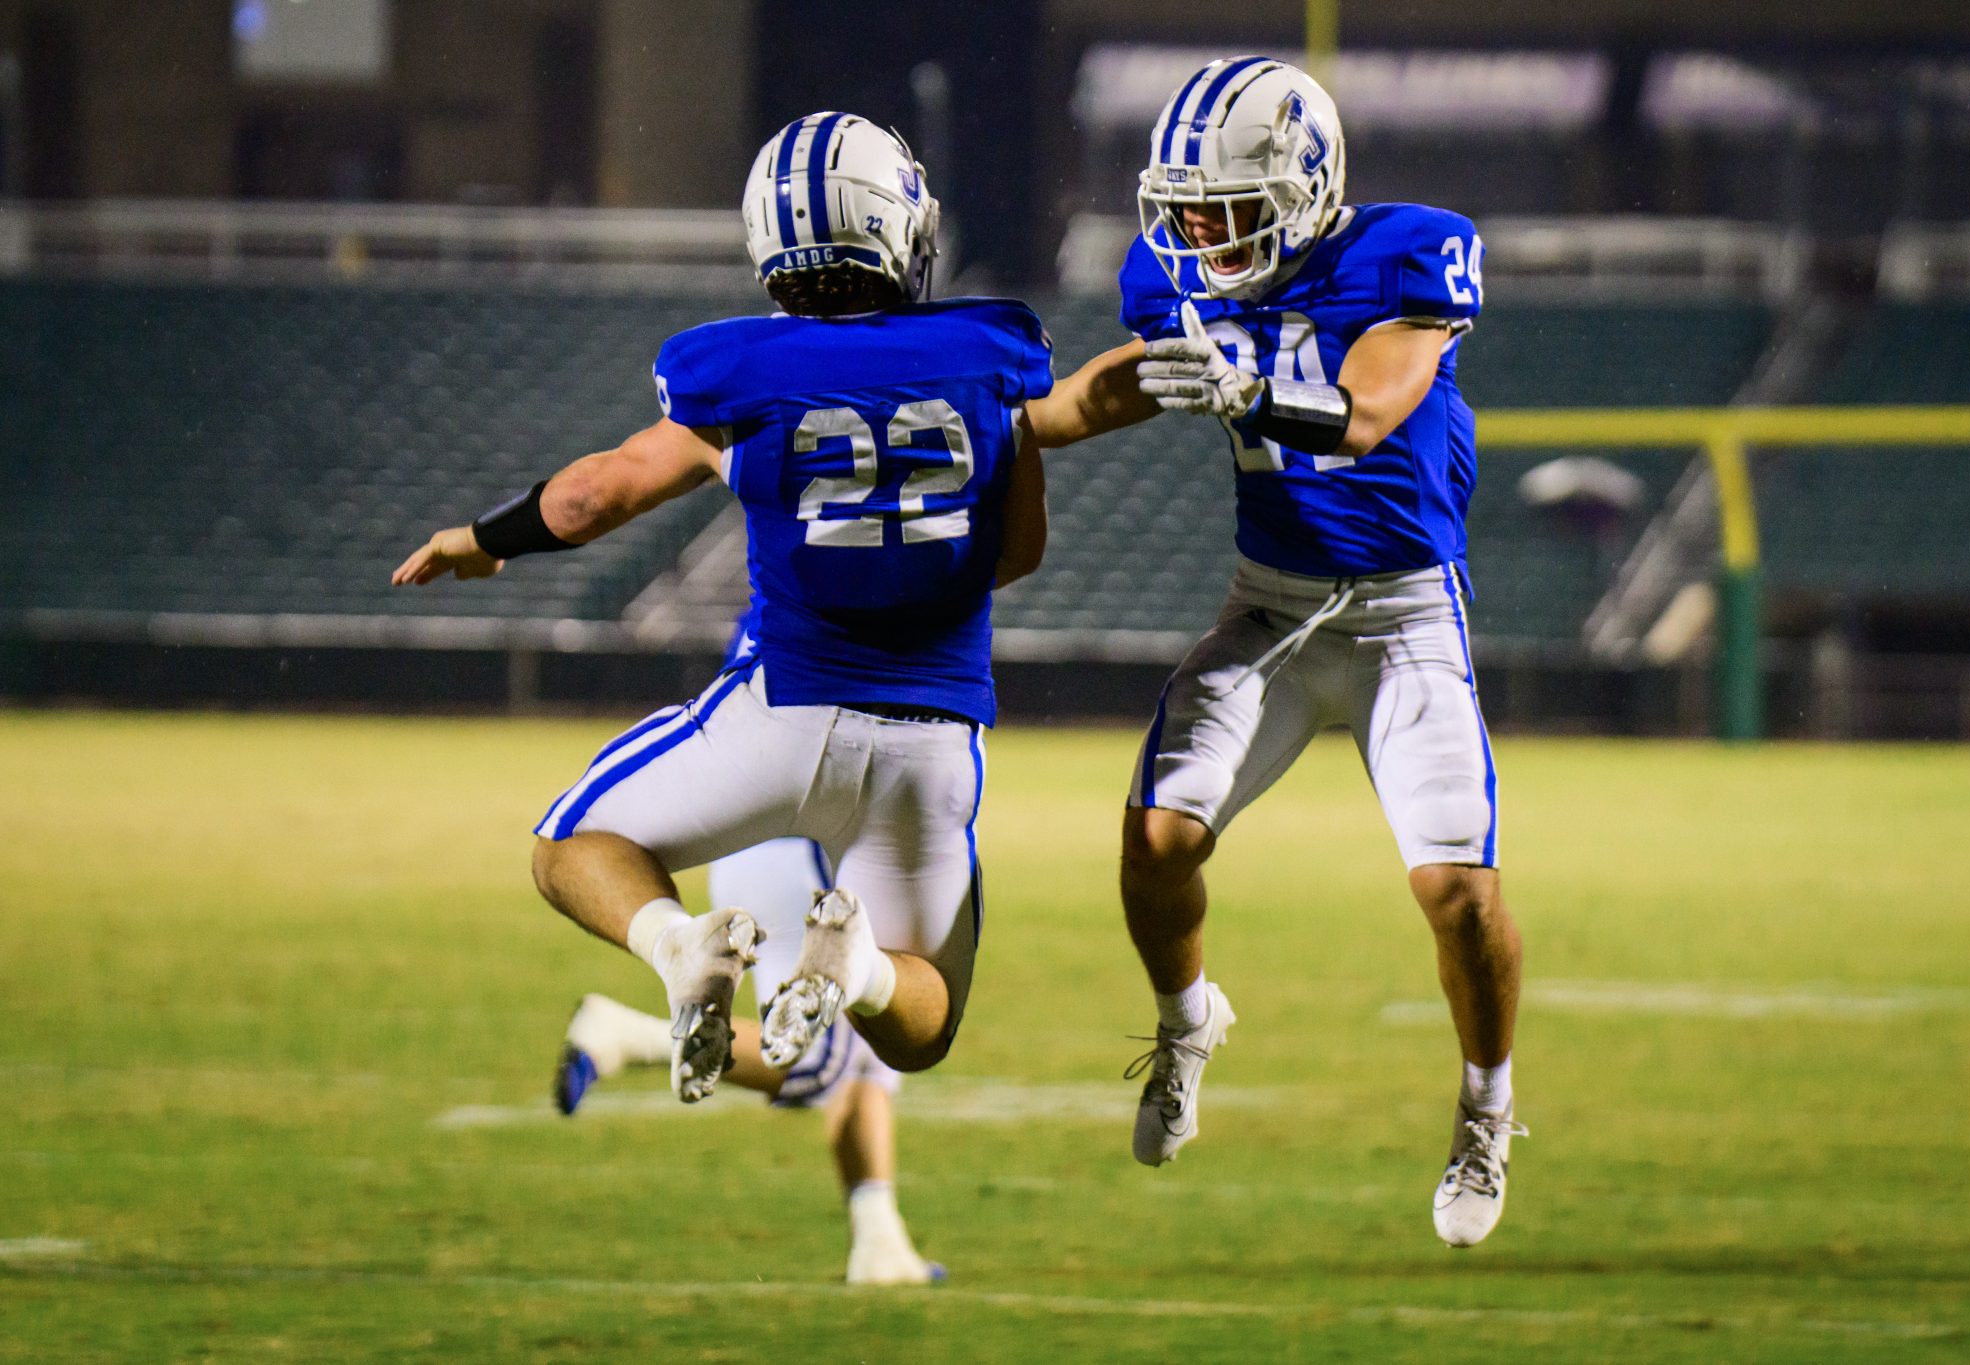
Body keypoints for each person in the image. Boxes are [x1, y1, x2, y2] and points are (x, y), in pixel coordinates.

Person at [394, 115, 1051, 1140]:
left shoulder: (741, 374)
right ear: (900, 231)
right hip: (932, 737)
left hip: (780, 714)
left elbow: (597, 496)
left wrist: (486, 538)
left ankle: (676, 951)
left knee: (571, 847)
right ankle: (862, 967)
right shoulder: (986, 358)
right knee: (921, 1024)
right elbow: (1017, 554)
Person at [1024, 57, 1526, 1247]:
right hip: (1271, 608)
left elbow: (1361, 413)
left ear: (1303, 188)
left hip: (1402, 612)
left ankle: (1485, 1110)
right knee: (1154, 843)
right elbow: (1110, 392)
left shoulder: (1406, 253)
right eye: (1183, 208)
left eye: (1224, 208)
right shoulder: (1174, 275)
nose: (1196, 231)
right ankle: (1187, 1018)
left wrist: (1246, 391)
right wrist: (1011, 425)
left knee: (1455, 894)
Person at [556, 834, 941, 1286]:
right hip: (807, 851)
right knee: (819, 1061)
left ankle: (880, 1239)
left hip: (771, 850)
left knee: (869, 1042)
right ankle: (627, 1035)